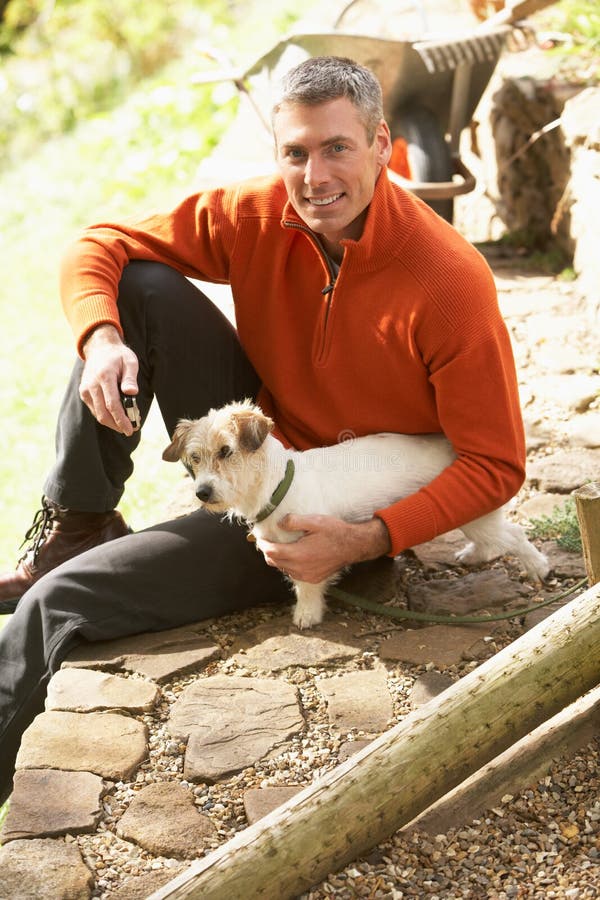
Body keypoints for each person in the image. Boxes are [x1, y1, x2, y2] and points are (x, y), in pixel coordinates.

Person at [0, 55, 525, 804]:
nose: (315, 176)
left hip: (323, 513)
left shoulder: (448, 284)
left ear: (382, 144)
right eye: (296, 153)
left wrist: (370, 537)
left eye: (337, 147)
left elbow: (495, 465)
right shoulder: (259, 214)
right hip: (261, 441)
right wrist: (102, 341)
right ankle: (82, 520)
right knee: (137, 286)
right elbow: (98, 242)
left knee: (58, 602)